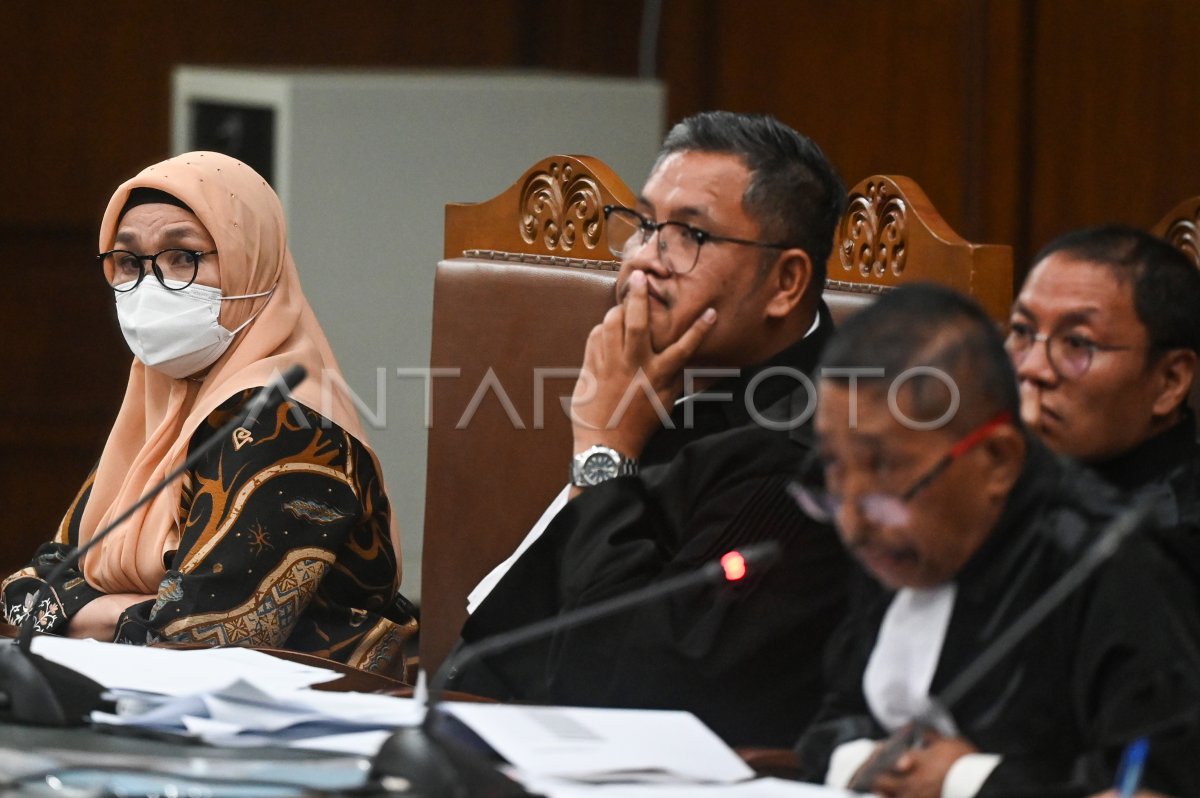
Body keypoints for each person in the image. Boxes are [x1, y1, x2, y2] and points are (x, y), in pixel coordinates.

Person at [447, 111, 852, 747]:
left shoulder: (805, 452)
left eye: (690, 234)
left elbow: (630, 691)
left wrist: (604, 452)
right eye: (643, 226)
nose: (644, 262)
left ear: (786, 282)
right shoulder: (665, 375)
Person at [1, 152, 415, 677]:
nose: (152, 284)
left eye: (184, 257)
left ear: (253, 262)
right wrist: (122, 612)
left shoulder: (284, 424)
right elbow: (27, 587)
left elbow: (195, 641)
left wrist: (83, 610)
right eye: (130, 262)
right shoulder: (165, 402)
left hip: (300, 725)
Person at [793, 283, 1200, 797]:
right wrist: (857, 760)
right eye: (832, 466)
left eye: (886, 470)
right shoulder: (896, 540)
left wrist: (967, 781)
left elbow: (1154, 779)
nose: (852, 523)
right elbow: (839, 714)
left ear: (998, 461)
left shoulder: (1112, 566)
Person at [1008, 225, 1200, 588]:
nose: (1032, 367)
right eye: (1022, 331)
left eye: (1078, 343)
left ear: (1170, 381)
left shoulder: (1165, 552)